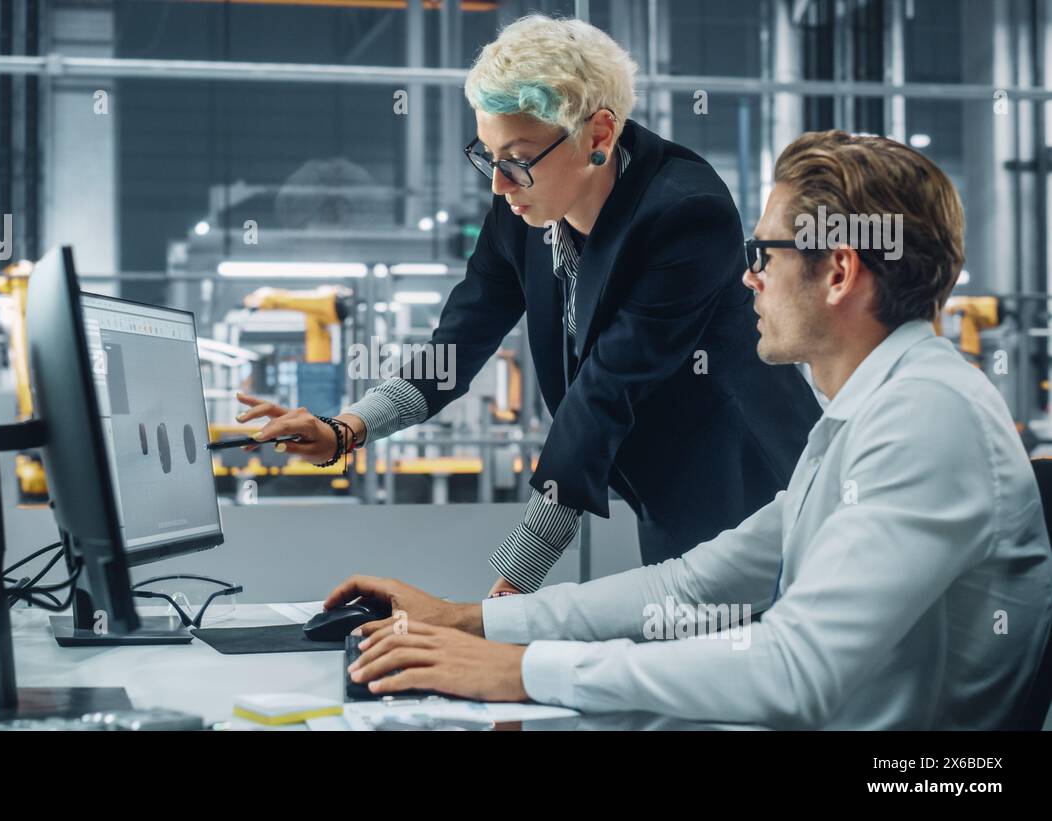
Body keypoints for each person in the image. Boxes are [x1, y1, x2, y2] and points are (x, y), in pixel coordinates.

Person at [325, 130, 1052, 730]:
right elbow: (697, 585)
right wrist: (474, 623)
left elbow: (795, 669)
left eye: (763, 255)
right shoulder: (867, 414)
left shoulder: (927, 418)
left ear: (837, 273)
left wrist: (522, 670)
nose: (747, 279)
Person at [235, 15, 820, 593]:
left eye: (516, 159)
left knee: (732, 642)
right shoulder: (522, 212)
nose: (499, 184)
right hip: (661, 482)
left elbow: (605, 390)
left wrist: (514, 586)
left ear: (599, 135)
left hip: (749, 482)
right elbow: (457, 343)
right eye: (488, 156)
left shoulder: (684, 213)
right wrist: (347, 429)